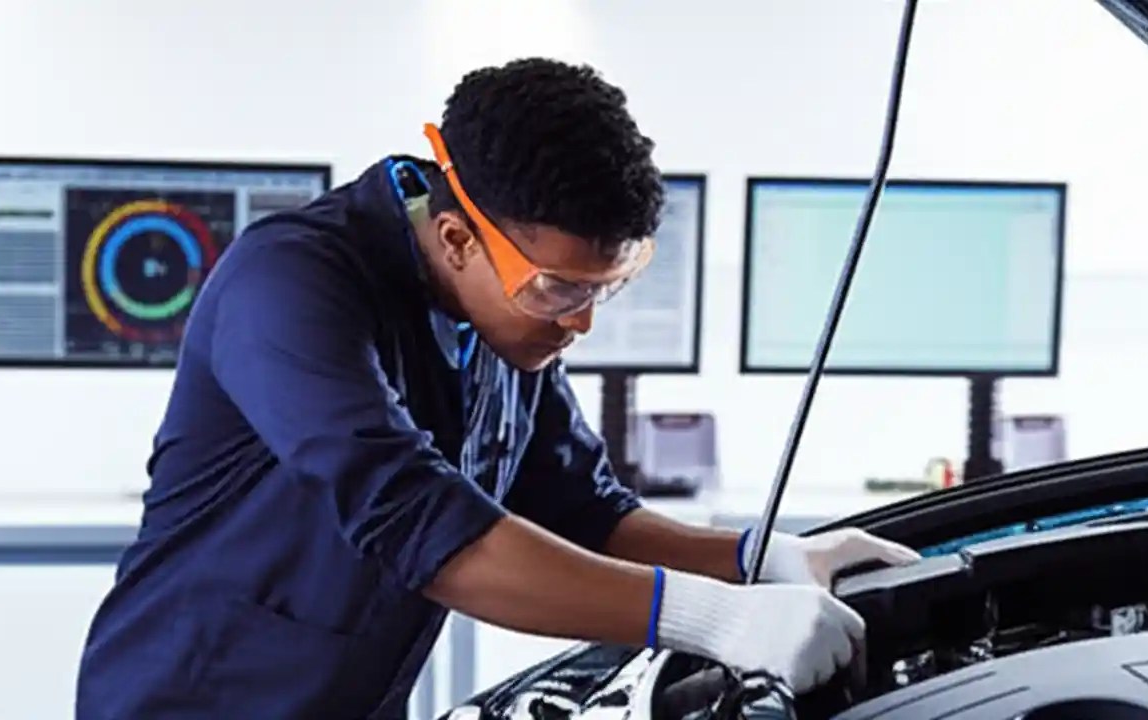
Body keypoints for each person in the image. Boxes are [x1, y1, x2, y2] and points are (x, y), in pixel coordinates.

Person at [75, 57, 921, 719]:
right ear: (454, 237)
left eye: (605, 290)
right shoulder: (289, 284)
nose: (581, 323)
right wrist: (717, 620)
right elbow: (425, 529)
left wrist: (761, 560)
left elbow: (590, 514)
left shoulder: (506, 329)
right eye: (561, 289)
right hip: (191, 703)